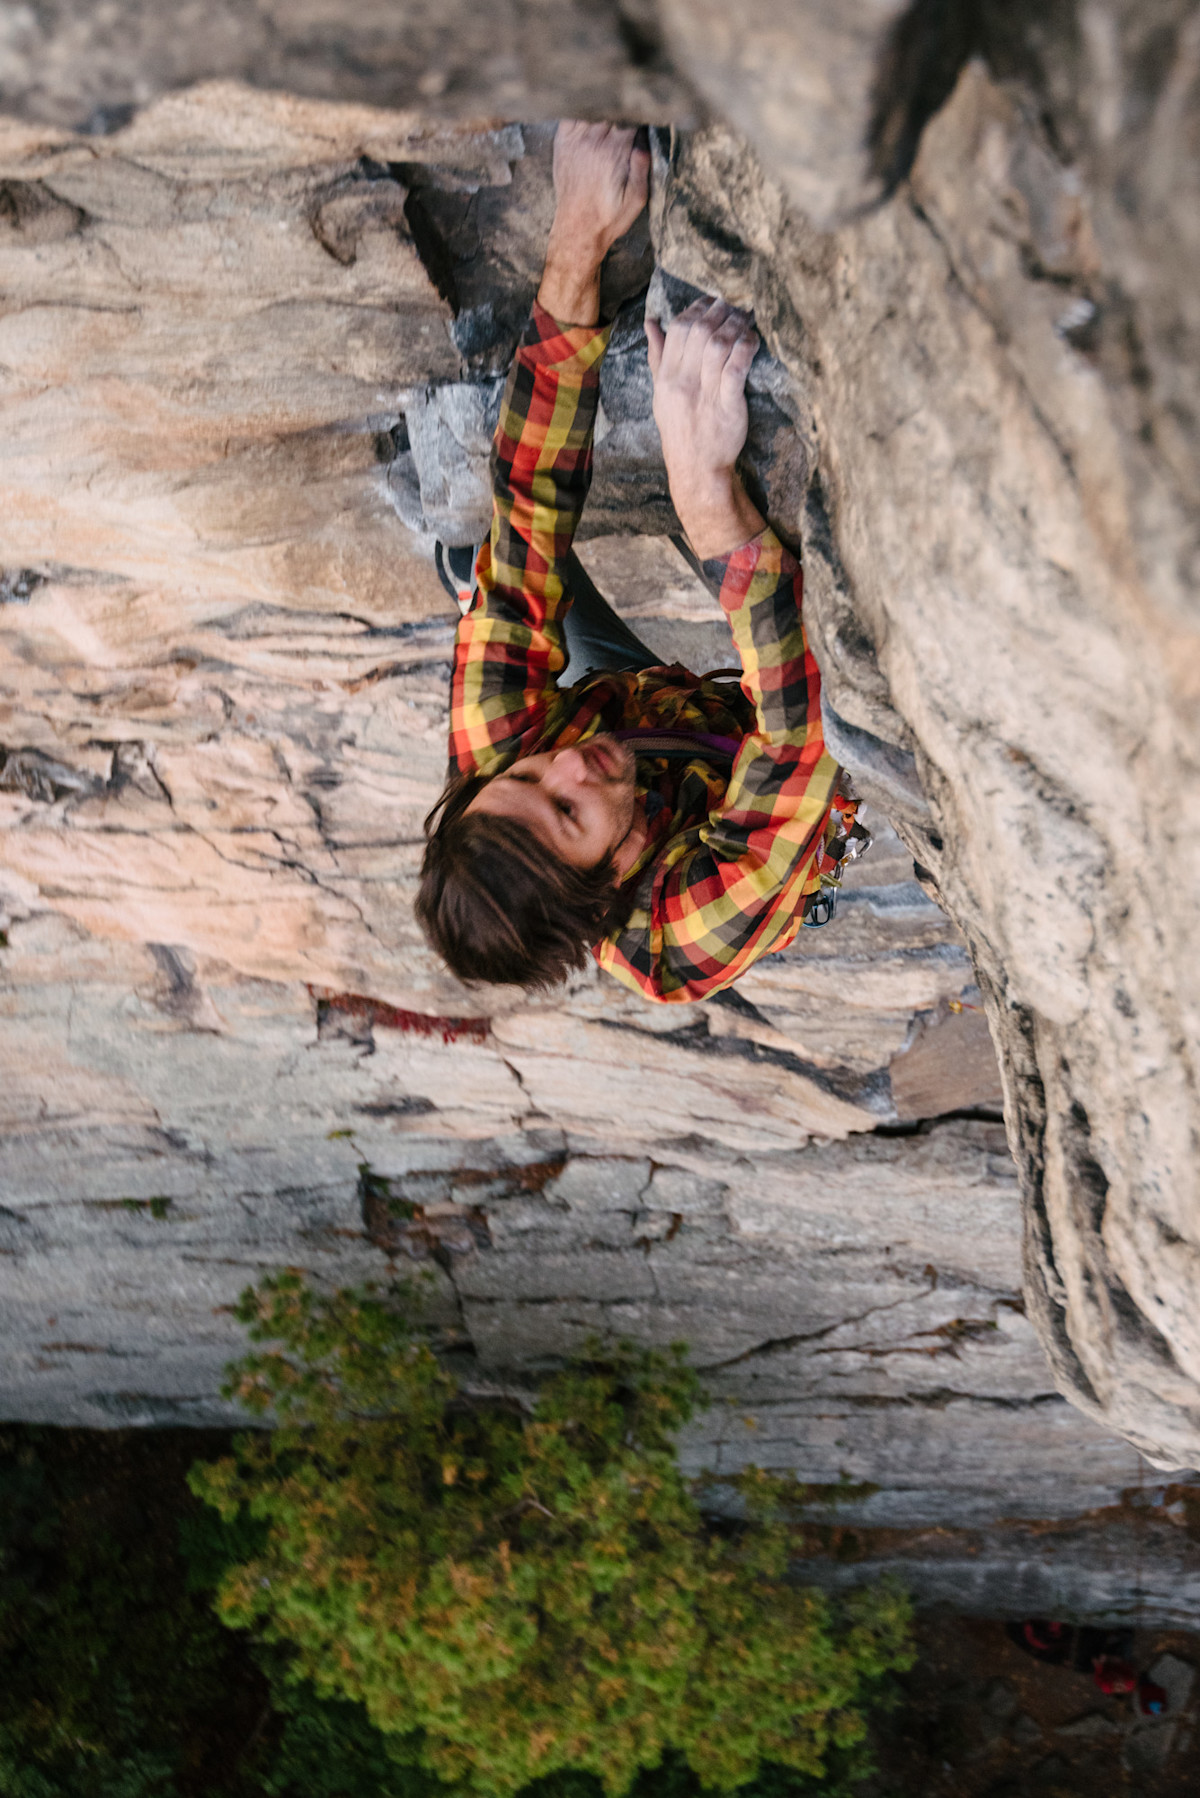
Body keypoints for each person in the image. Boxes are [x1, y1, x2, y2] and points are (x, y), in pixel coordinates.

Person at [417, 122, 862, 1003]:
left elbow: (531, 511)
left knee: (488, 565)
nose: (566, 761)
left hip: (653, 709)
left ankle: (471, 585)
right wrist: (705, 495)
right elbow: (803, 738)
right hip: (770, 796)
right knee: (833, 696)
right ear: (612, 875)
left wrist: (578, 239)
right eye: (567, 811)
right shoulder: (681, 933)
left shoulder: (501, 765)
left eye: (529, 776)